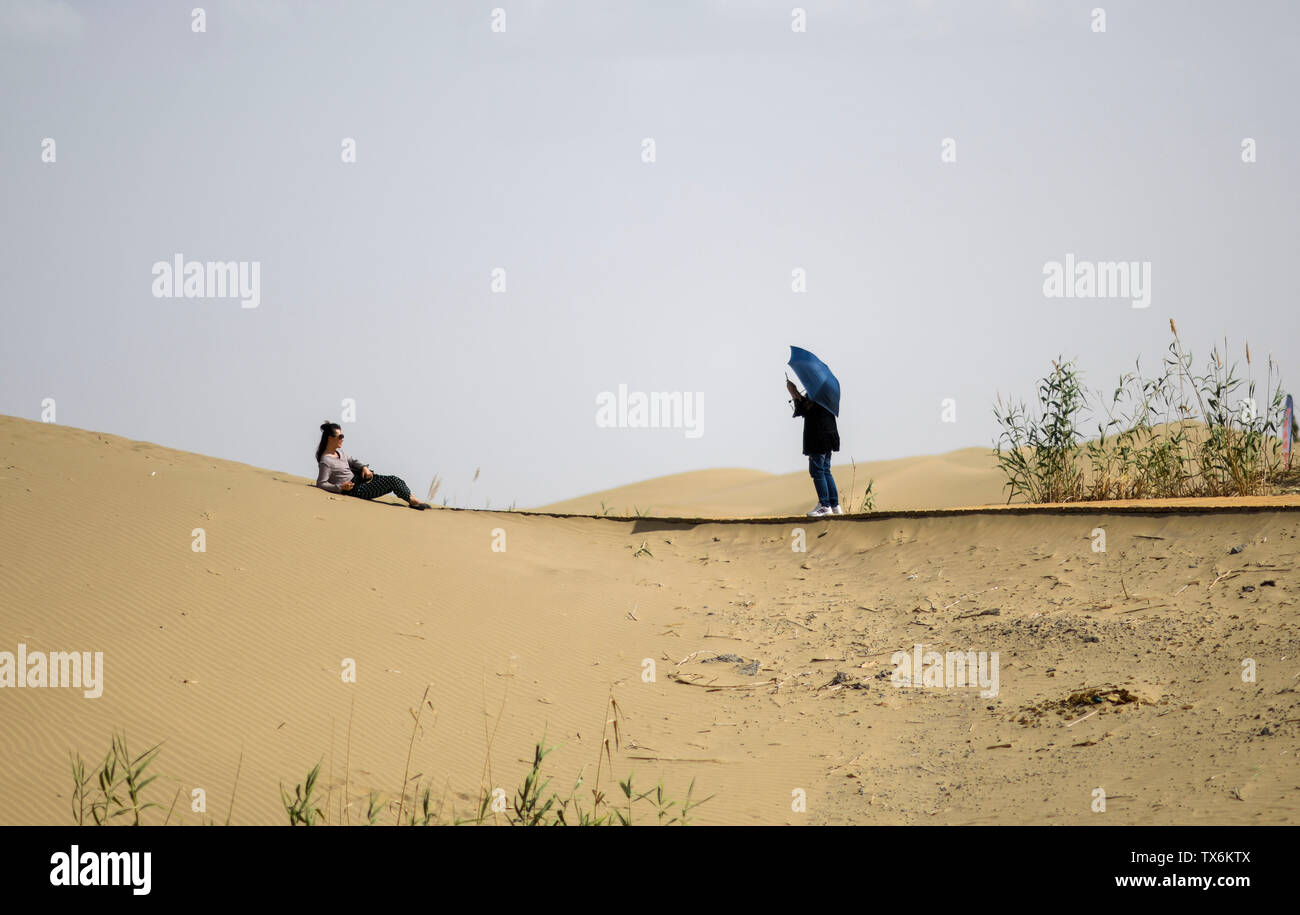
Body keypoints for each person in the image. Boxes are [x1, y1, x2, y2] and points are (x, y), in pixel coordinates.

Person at [314, 422, 433, 510]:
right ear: (330, 438)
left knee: (396, 479)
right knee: (392, 481)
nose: (343, 439)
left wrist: (364, 468)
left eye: (343, 436)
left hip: (360, 480)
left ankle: (413, 499)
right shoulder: (326, 461)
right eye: (340, 436)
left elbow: (354, 461)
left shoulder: (340, 453)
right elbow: (321, 483)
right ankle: (413, 501)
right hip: (355, 490)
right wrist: (340, 487)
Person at [786, 379, 842, 516]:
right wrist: (795, 395)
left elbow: (807, 409)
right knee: (825, 470)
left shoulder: (817, 391)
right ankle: (834, 506)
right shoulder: (825, 391)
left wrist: (794, 393)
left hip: (819, 436)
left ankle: (825, 505)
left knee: (818, 471)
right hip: (828, 435)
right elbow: (804, 409)